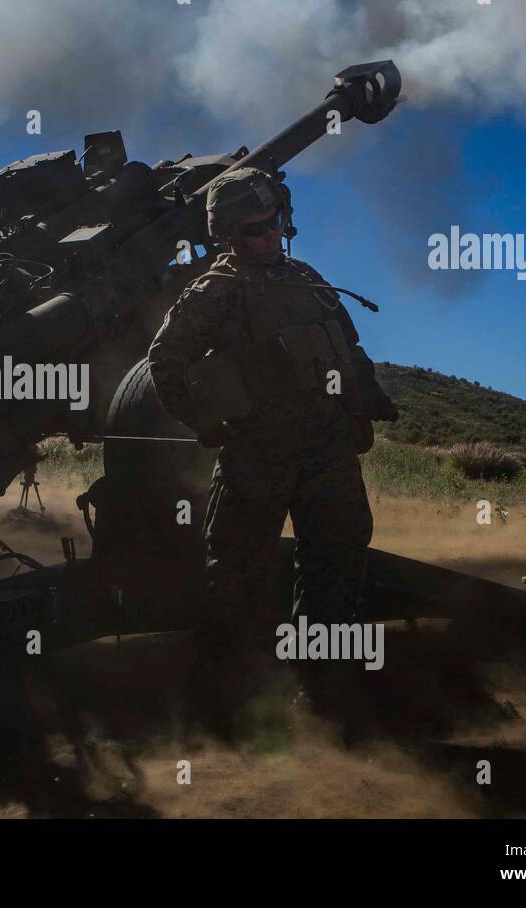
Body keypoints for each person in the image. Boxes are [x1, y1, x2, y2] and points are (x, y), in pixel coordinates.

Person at [147, 166, 398, 727]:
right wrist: (207, 423)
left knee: (336, 565)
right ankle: (221, 701)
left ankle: (324, 695)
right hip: (256, 458)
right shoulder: (215, 294)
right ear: (229, 235)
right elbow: (164, 362)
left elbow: (348, 347)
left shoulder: (305, 276)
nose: (271, 235)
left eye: (276, 222)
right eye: (257, 228)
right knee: (236, 576)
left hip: (327, 453)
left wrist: (369, 393)